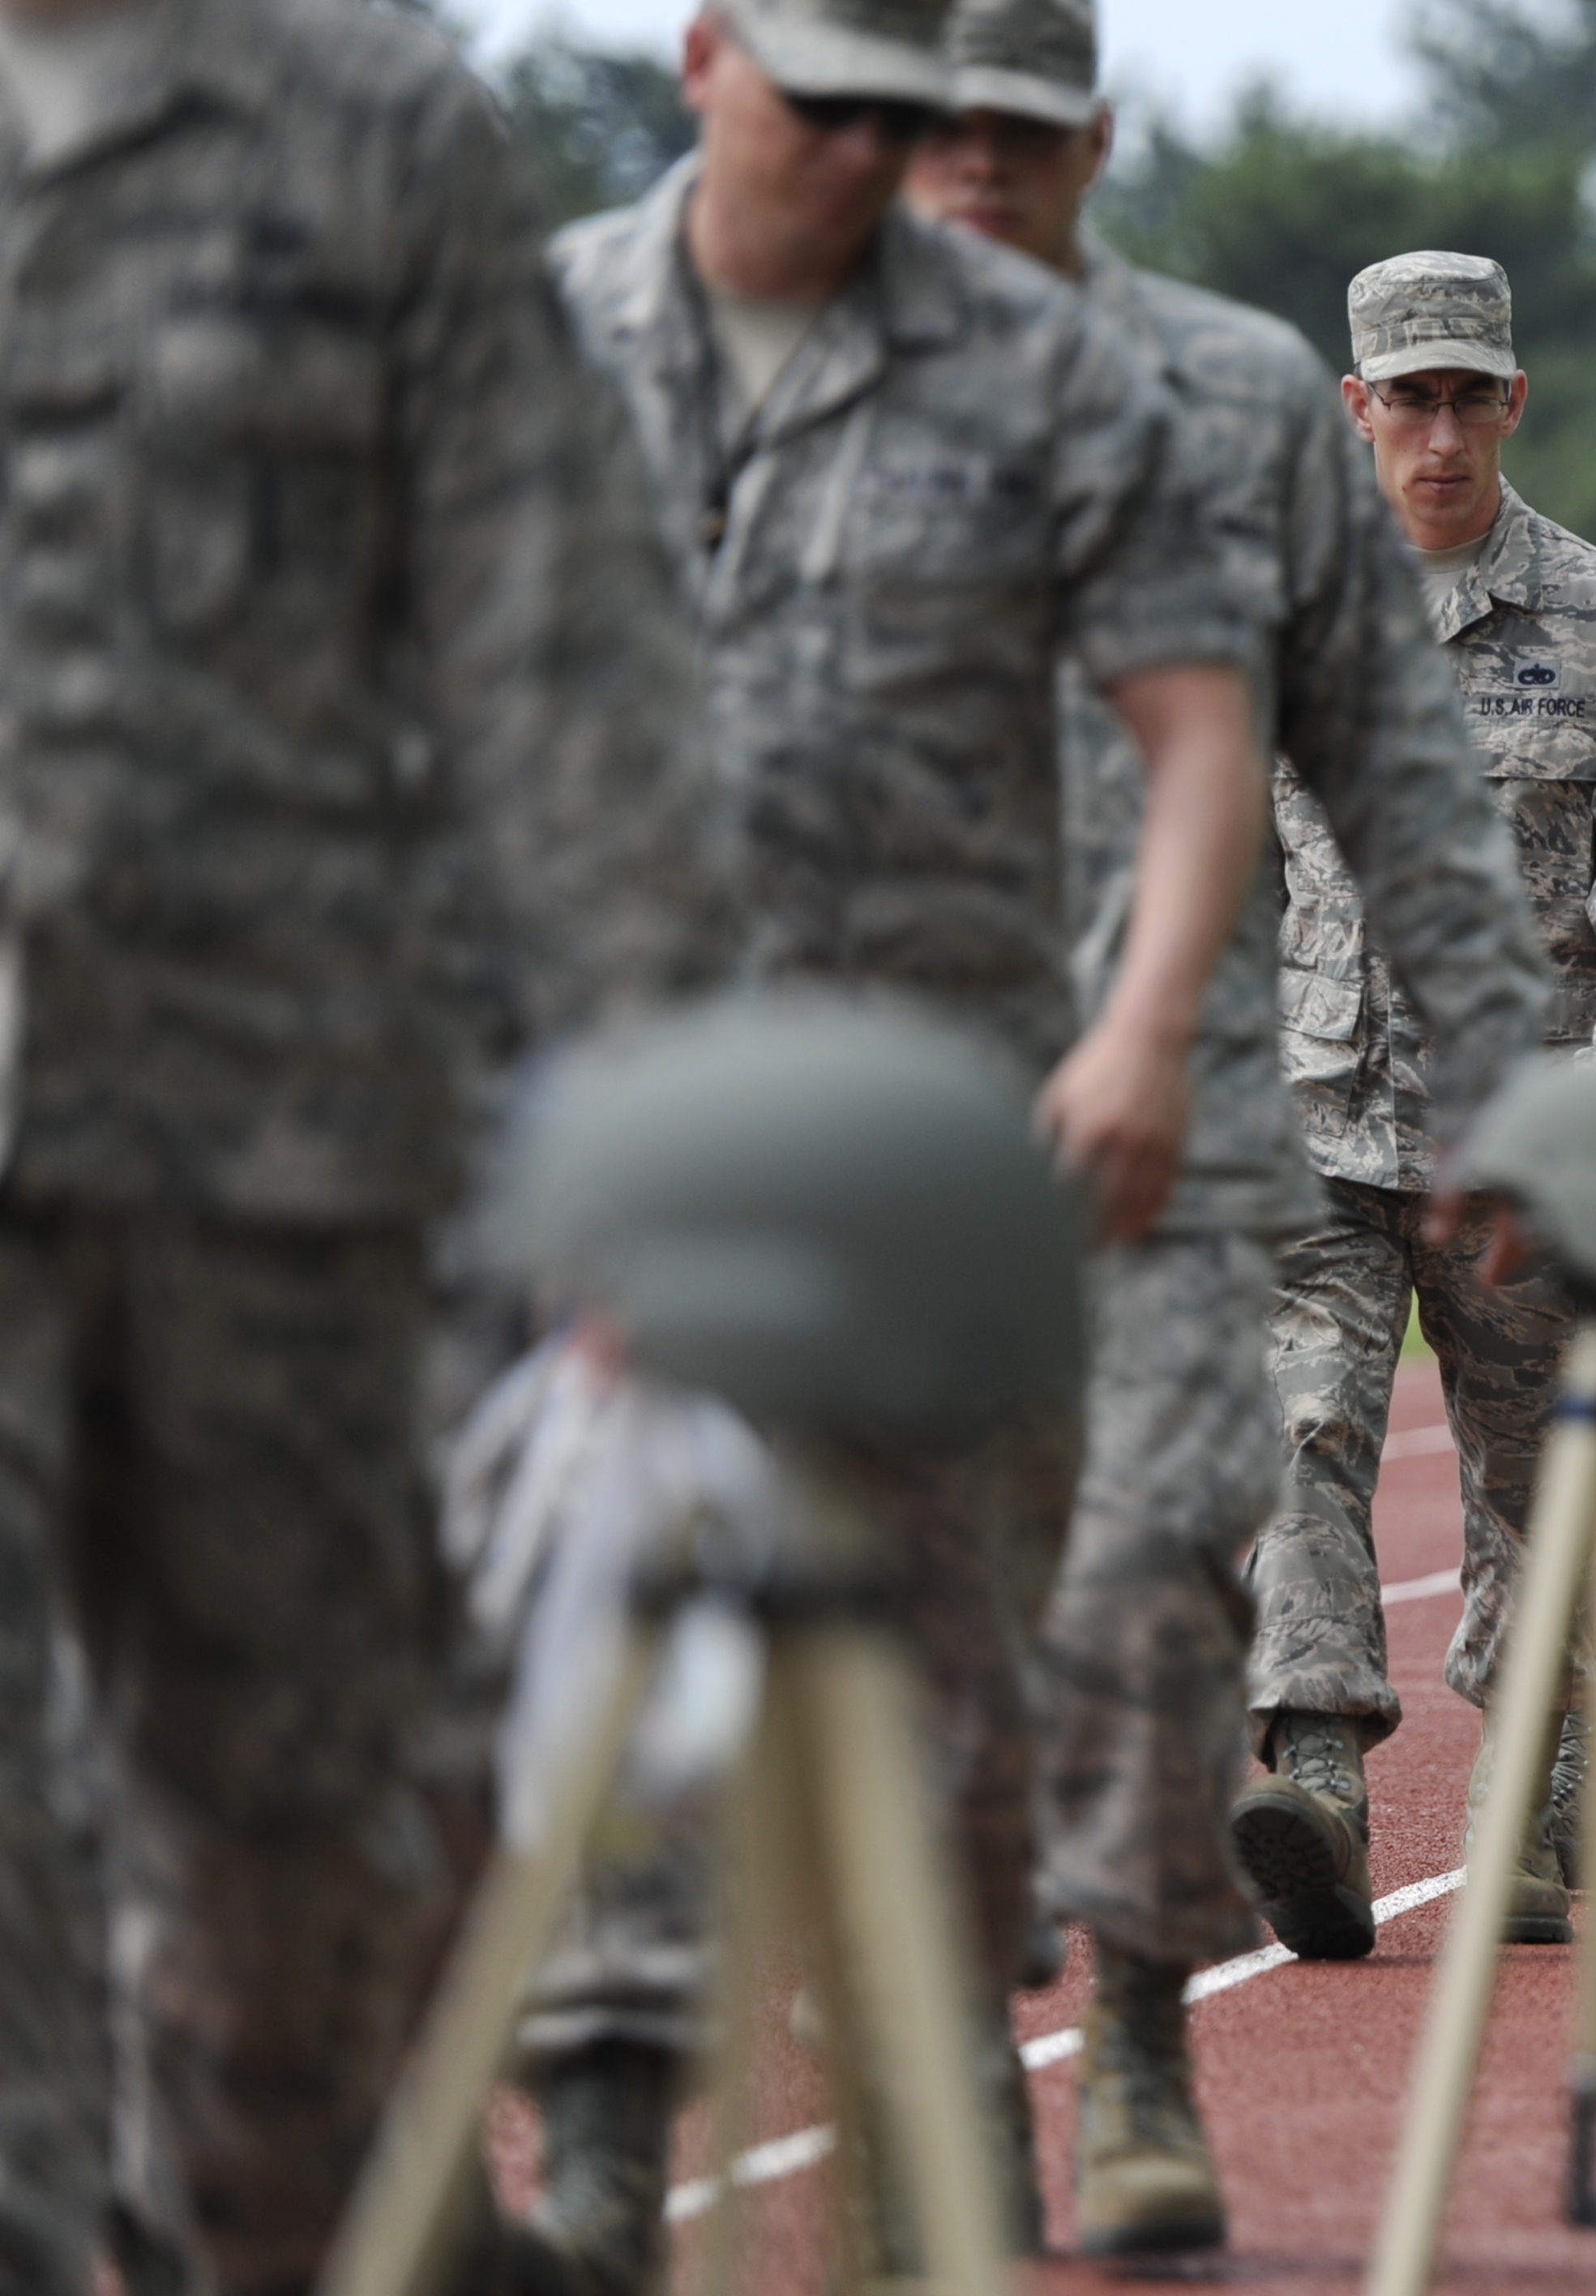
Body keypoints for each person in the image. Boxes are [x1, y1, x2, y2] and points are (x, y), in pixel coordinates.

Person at [0, 0, 734, 2287]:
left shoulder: (374, 127)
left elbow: (558, 661)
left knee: (286, 1895)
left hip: (282, 1174)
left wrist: (650, 1127)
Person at [546, 0, 1284, 2259]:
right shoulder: (545, 335)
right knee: (601, 1608)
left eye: (920, 122)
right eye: (839, 113)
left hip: (995, 1129)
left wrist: (1156, 1031)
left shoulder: (1083, 376)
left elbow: (1220, 732)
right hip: (646, 1103)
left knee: (984, 1643)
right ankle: (602, 2127)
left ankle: (995, 2070)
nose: (889, 163)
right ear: (706, 61)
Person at [892, 2, 1546, 2255]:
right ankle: (947, 2082)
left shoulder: (1232, 397)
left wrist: (1497, 1068)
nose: (977, 166)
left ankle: (1145, 2054)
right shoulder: (752, 362)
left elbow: (1397, 763)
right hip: (881, 1116)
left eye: (1022, 127)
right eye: (938, 125)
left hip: (1178, 1106)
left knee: (1168, 1554)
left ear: (1094, 135)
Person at [1235, 247, 1596, 1952]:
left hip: (1530, 1133)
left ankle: (1531, 1784)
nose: (1437, 436)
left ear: (1513, 401)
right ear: (1353, 405)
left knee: (1545, 1482)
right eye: (1406, 399)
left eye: (1466, 399)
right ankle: (1314, 1772)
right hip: (1319, 1117)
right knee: (1297, 1431)